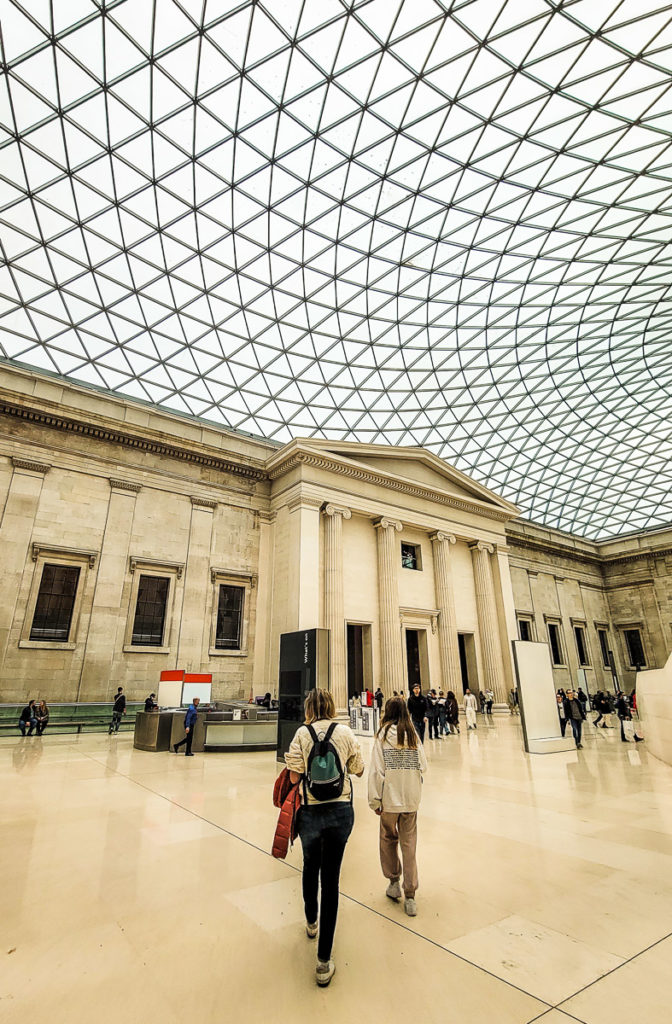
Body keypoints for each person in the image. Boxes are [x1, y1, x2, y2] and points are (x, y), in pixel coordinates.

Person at [285, 688, 364, 988]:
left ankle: (311, 921)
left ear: (308, 708)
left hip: (310, 812)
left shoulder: (301, 734)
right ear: (331, 706)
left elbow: (294, 776)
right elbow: (358, 769)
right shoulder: (344, 732)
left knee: (310, 867)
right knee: (331, 882)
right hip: (340, 812)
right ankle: (323, 962)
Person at [368, 696, 428, 918]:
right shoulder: (412, 735)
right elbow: (423, 766)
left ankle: (394, 882)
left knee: (388, 838)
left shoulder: (383, 735)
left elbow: (377, 772)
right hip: (411, 798)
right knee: (409, 844)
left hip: (390, 800)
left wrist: (375, 801)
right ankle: (410, 894)